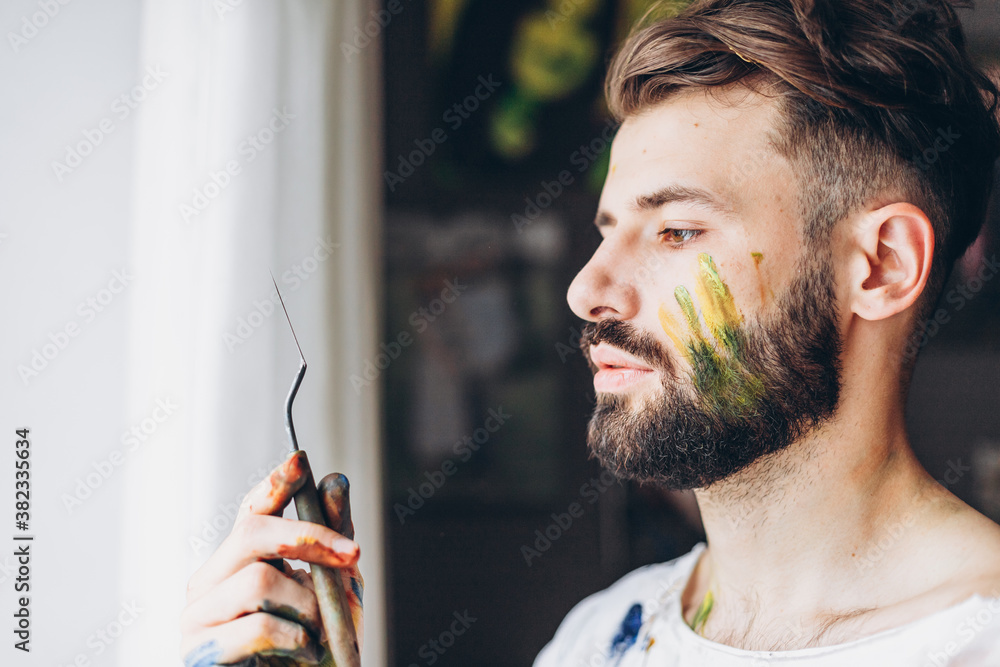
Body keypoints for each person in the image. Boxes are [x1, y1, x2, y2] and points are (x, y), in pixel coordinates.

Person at [181, 0, 1000, 664]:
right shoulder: (599, 636)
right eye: (607, 230)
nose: (586, 288)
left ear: (882, 264)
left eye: (676, 231)